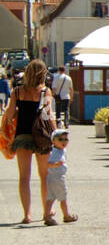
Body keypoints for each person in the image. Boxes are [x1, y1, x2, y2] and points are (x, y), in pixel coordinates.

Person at [3, 59, 56, 224]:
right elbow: (48, 116)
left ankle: (27, 214)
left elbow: (9, 116)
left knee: (24, 177)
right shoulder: (45, 92)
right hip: (41, 136)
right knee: (45, 176)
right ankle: (47, 211)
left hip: (23, 136)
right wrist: (56, 135)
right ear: (43, 73)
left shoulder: (17, 92)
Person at [43, 126, 76, 224]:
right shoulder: (55, 152)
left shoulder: (61, 151)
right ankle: (66, 216)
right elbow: (47, 164)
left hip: (52, 177)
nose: (64, 141)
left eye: (66, 139)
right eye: (60, 139)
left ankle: (47, 216)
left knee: (50, 197)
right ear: (53, 141)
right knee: (63, 198)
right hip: (57, 178)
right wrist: (56, 164)